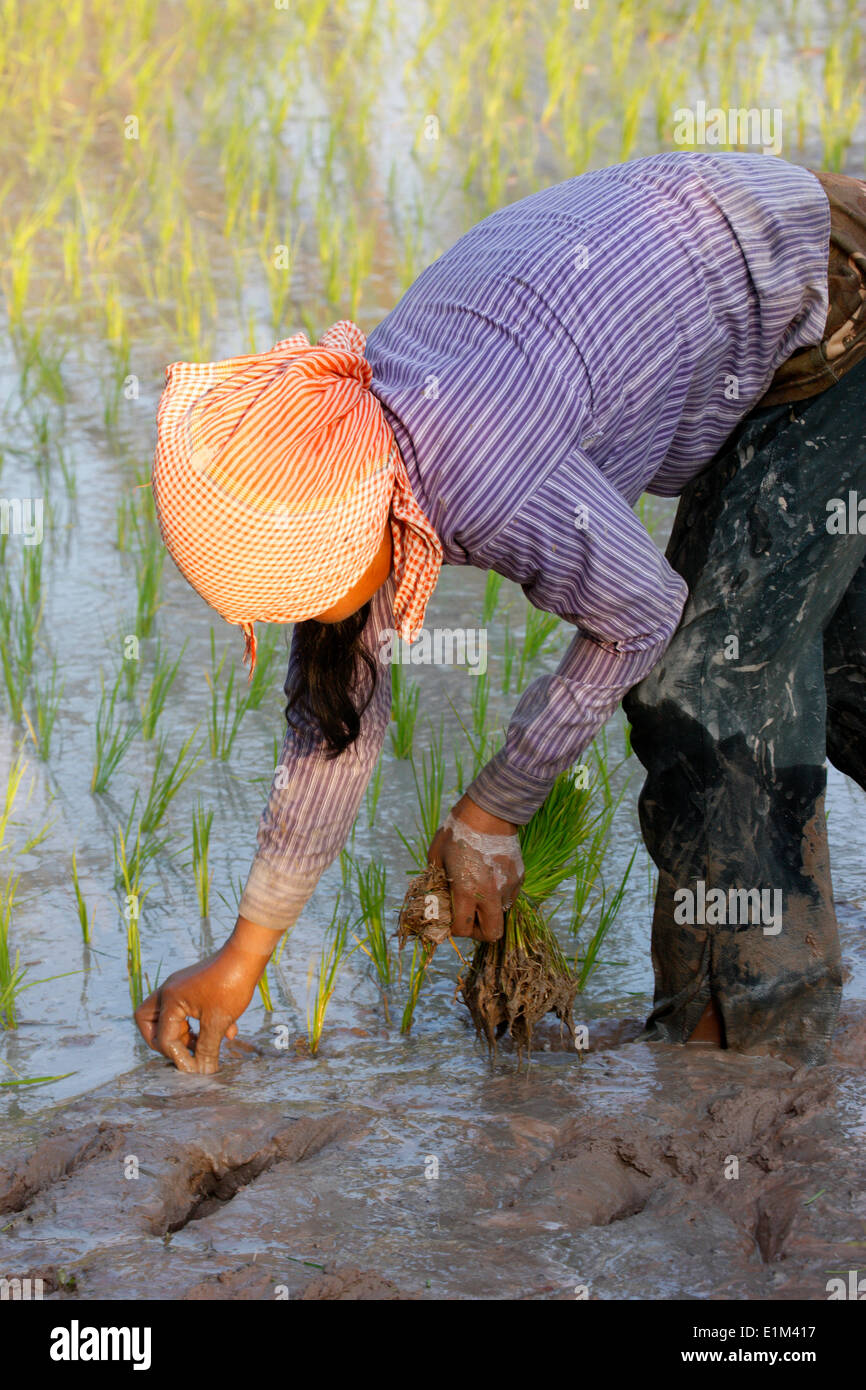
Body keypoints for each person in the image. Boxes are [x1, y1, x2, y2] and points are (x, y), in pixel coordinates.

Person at [136, 150, 866, 1074]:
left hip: (826, 299)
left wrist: (493, 810)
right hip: (731, 293)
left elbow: (641, 611)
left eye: (312, 587)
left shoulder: (476, 464)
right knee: (833, 654)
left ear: (365, 513)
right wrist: (246, 954)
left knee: (708, 680)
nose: (311, 615)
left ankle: (753, 1059)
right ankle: (720, 1035)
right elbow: (333, 718)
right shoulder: (361, 435)